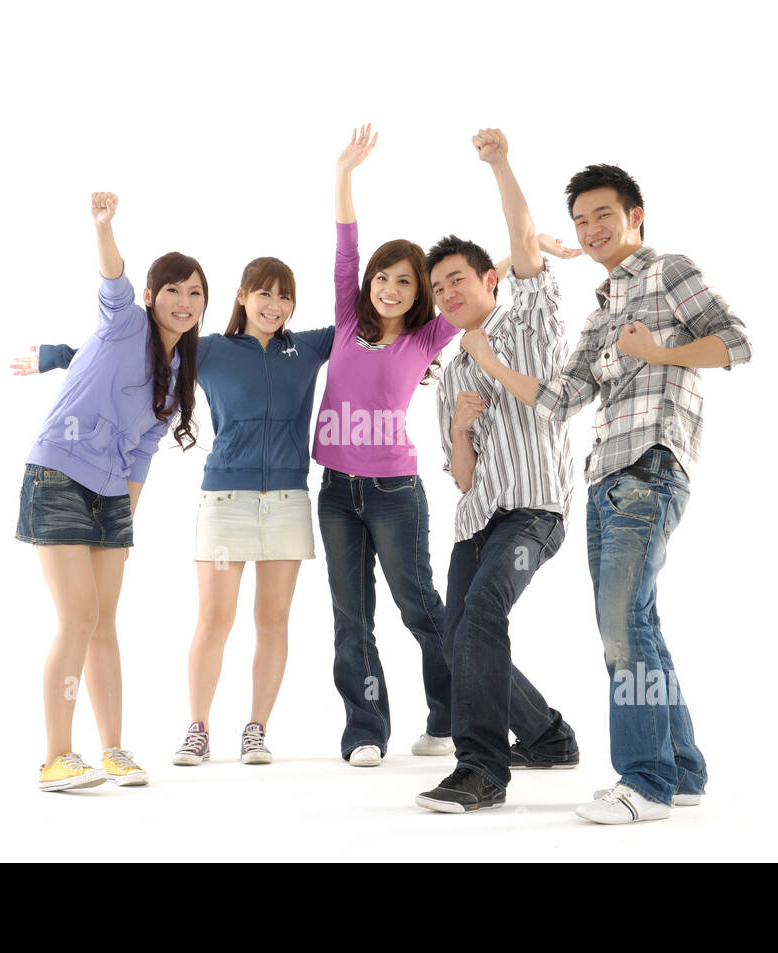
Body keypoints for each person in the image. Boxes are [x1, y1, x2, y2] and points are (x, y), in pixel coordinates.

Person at [461, 162, 752, 823]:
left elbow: (737, 342)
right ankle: (680, 770)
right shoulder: (602, 310)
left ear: (634, 216)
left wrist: (660, 351)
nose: (591, 229)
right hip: (604, 476)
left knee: (621, 627)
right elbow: (560, 397)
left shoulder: (668, 270)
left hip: (650, 465)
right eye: (581, 220)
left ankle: (643, 782)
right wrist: (491, 363)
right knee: (636, 622)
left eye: (604, 216)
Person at [20, 260, 335, 766]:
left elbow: (375, 329)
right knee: (212, 620)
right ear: (240, 296)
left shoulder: (309, 347)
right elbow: (131, 358)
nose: (274, 305)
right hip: (224, 500)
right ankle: (197, 729)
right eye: (263, 294)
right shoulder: (208, 350)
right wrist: (54, 356)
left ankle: (254, 730)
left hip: (287, 500)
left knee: (272, 621)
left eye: (285, 297)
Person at [414, 129, 580, 813]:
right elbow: (460, 475)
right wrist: (458, 429)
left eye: (457, 278)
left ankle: (480, 768)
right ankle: (546, 735)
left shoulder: (527, 324)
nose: (447, 292)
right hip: (474, 520)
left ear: (490, 279)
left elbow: (524, 238)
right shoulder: (450, 372)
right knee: (460, 636)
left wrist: (500, 164)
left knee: (481, 615)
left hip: (534, 512)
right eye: (437, 287)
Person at [17, 191, 203, 791]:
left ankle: (114, 750)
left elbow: (145, 449)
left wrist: (124, 511)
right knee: (77, 618)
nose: (183, 301)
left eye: (195, 292)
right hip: (58, 476)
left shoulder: (177, 375)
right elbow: (112, 278)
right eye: (172, 289)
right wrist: (103, 226)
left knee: (104, 623)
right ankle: (55, 757)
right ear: (153, 297)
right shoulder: (124, 321)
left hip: (111, 498)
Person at [314, 125, 461, 766]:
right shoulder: (348, 317)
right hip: (337, 493)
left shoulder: (426, 340)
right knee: (352, 616)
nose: (391, 289)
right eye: (383, 278)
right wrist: (345, 171)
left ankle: (449, 718)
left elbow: (479, 291)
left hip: (396, 492)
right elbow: (346, 246)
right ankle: (366, 729)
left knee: (419, 606)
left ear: (419, 291)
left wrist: (522, 252)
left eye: (405, 282)